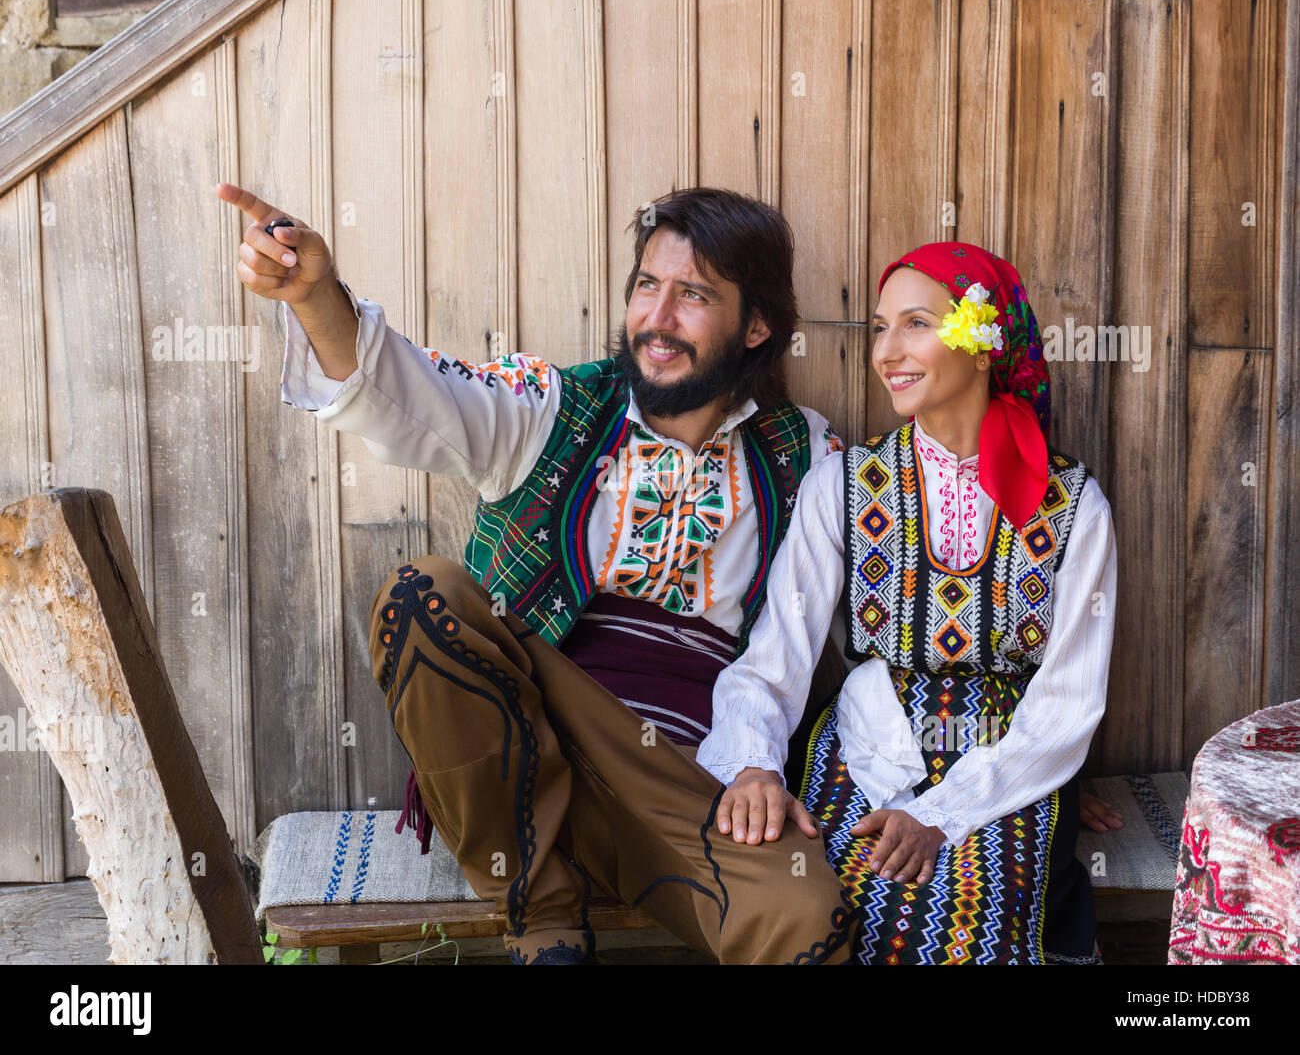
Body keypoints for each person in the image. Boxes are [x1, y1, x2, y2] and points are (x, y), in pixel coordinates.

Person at [216, 181, 858, 964]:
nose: (656, 318)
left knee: (807, 916)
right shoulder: (552, 406)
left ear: (756, 325)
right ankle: (542, 912)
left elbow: (866, 638)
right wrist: (317, 298)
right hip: (526, 759)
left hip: (685, 790)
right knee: (426, 595)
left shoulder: (810, 457)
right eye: (647, 286)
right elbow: (411, 397)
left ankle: (623, 870)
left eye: (693, 296)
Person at [698, 242, 1117, 964]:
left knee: (972, 909)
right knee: (832, 903)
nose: (887, 350)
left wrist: (940, 815)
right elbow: (778, 655)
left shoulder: (1075, 505)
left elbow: (1066, 705)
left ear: (984, 346)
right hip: (869, 735)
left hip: (1005, 757)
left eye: (915, 324)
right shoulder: (844, 486)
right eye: (880, 327)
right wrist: (754, 764)